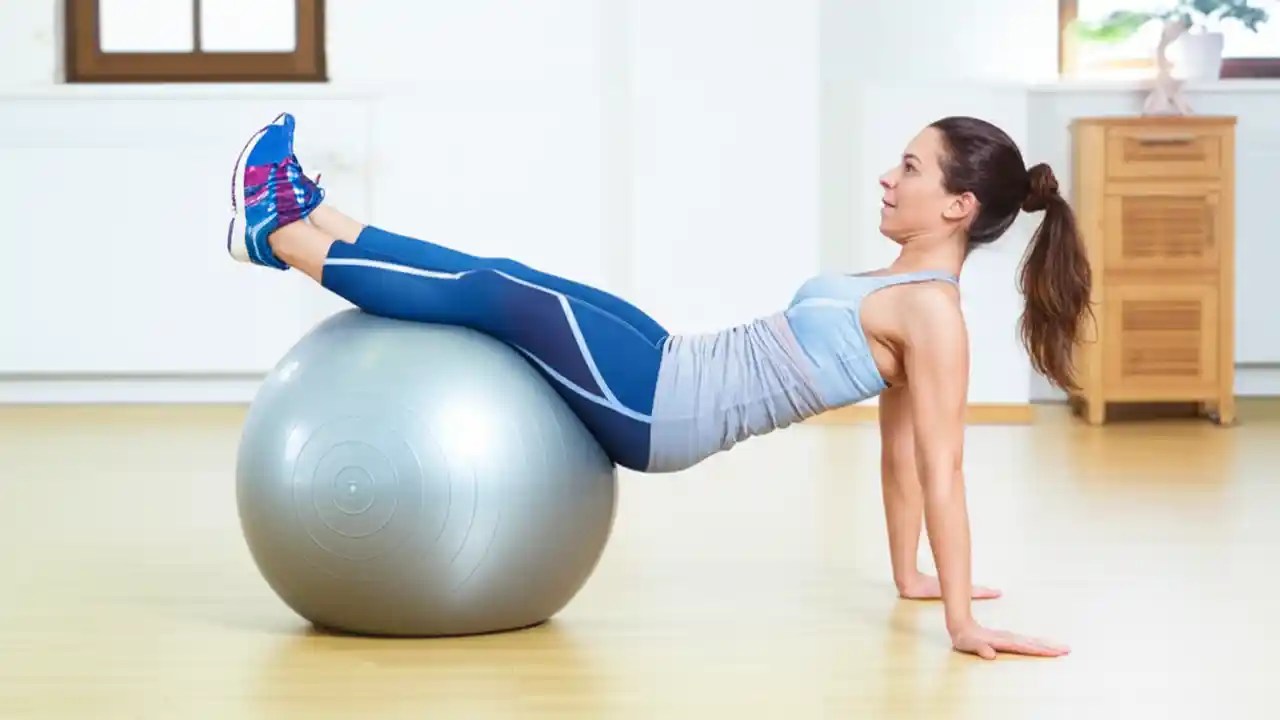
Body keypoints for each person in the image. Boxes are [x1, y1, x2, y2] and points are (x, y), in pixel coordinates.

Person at [227, 112, 1090, 660]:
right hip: (673, 359)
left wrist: (961, 620)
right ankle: (310, 209)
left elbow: (936, 468)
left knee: (495, 295)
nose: (888, 177)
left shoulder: (933, 315)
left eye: (911, 167)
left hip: (661, 409)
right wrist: (909, 573)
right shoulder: (899, 287)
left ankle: (279, 236)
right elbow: (893, 453)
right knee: (507, 274)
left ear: (957, 206)